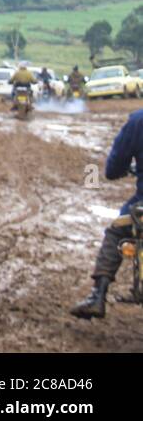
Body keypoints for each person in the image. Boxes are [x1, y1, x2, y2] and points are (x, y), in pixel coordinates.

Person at [69, 109, 143, 318]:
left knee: (116, 232)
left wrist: (121, 170)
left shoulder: (137, 121)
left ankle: (98, 295)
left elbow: (113, 168)